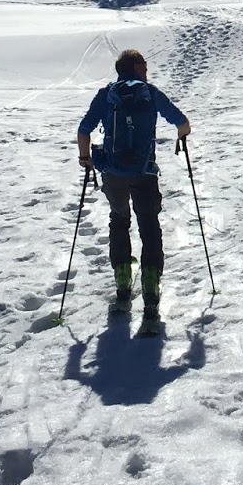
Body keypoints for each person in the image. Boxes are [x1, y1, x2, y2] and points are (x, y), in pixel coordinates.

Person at [75, 48, 191, 312]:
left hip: (113, 172)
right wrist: (181, 137)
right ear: (136, 66)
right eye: (145, 66)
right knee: (148, 223)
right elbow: (182, 123)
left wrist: (86, 159)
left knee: (119, 219)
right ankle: (150, 284)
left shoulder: (107, 95)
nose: (147, 70)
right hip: (144, 171)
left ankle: (123, 280)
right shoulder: (149, 93)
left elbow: (84, 130)